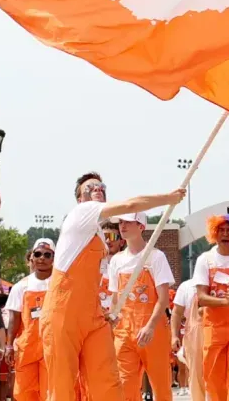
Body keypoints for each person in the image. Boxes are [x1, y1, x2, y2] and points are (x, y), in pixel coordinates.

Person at [41, 172, 184, 401]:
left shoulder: (98, 233)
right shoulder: (81, 213)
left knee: (108, 384)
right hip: (63, 312)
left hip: (93, 316)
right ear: (79, 198)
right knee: (63, 388)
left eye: (101, 186)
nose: (97, 189)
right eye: (90, 187)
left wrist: (105, 311)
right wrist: (168, 198)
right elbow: (130, 203)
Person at [108, 212, 174, 401]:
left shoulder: (156, 256)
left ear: (141, 227)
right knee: (125, 387)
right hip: (124, 332)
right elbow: (115, 299)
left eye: (128, 222)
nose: (123, 226)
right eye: (120, 222)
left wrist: (150, 326)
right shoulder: (116, 261)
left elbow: (163, 298)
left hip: (152, 332)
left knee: (161, 388)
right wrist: (112, 323)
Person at [192, 215, 229, 401]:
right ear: (213, 234)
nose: (225, 234)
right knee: (213, 377)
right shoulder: (205, 259)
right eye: (221, 230)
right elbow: (201, 297)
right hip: (214, 328)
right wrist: (224, 302)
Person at [5, 240, 54, 401]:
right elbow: (14, 318)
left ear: (54, 258)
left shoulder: (60, 284)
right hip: (27, 347)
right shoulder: (21, 286)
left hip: (53, 346)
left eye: (47, 255)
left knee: (52, 392)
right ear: (31, 258)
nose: (42, 258)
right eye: (38, 254)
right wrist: (9, 345)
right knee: (24, 393)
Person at [170, 277, 203, 401]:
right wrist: (174, 336)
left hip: (217, 331)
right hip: (193, 334)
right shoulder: (187, 286)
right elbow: (176, 312)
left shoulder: (217, 282)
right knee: (195, 374)